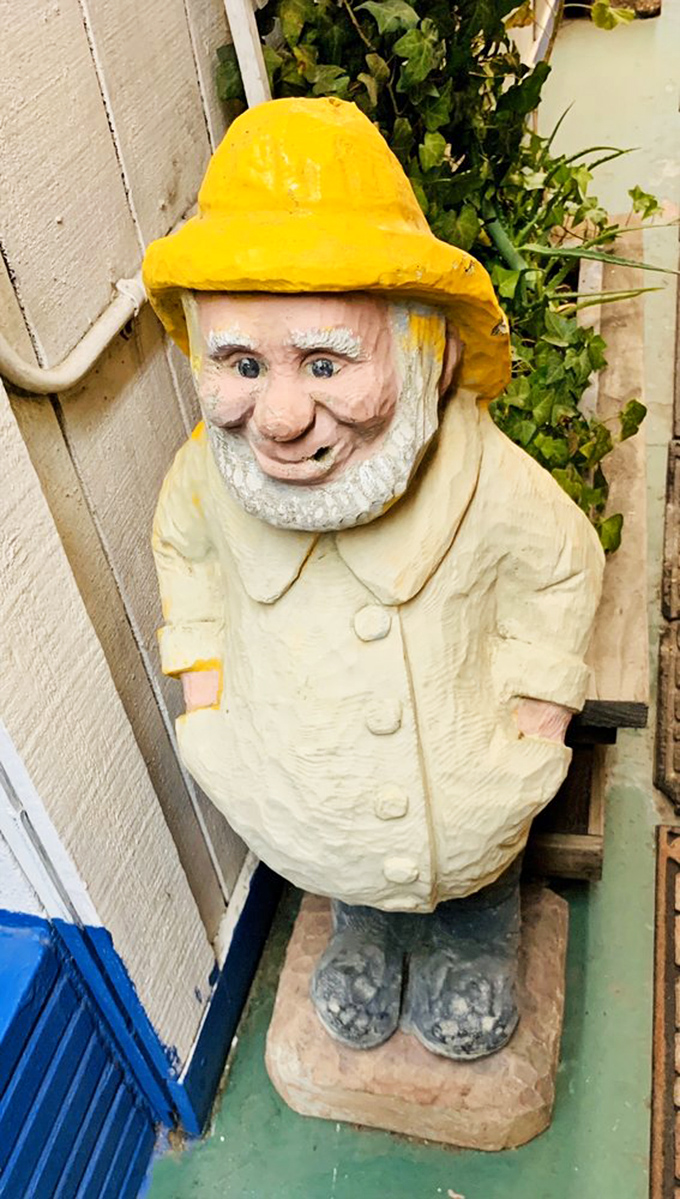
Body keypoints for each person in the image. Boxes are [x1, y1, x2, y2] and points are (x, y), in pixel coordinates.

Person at [143, 97, 604, 1059]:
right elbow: (183, 556)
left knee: (473, 873)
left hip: (462, 792)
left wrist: (534, 715)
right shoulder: (206, 480)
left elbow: (562, 566)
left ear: (427, 355)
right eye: (240, 364)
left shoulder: (482, 479)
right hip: (305, 786)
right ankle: (363, 924)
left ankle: (475, 938)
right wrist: (206, 696)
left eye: (324, 360)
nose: (277, 417)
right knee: (341, 857)